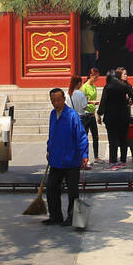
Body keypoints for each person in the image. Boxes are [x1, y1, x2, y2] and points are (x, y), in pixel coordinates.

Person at [44, 87, 89, 226]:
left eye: (58, 100)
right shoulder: (52, 114)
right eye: (53, 101)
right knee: (51, 187)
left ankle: (72, 217)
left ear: (64, 99)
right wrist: (49, 149)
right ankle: (55, 215)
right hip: (56, 159)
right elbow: (52, 134)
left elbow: (81, 135)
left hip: (71, 159)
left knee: (72, 191)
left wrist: (84, 154)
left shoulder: (72, 115)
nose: (56, 103)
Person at [97, 68, 133, 168]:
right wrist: (129, 99)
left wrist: (99, 114)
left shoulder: (108, 87)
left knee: (113, 140)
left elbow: (103, 103)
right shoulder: (125, 86)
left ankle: (113, 162)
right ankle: (123, 161)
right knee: (123, 139)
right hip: (124, 116)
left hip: (111, 117)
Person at [79, 67, 101, 162]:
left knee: (95, 136)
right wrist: (92, 102)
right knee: (85, 137)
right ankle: (85, 158)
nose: (96, 79)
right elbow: (82, 101)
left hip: (92, 114)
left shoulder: (94, 87)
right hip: (85, 114)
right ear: (91, 76)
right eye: (95, 77)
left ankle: (96, 156)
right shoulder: (84, 87)